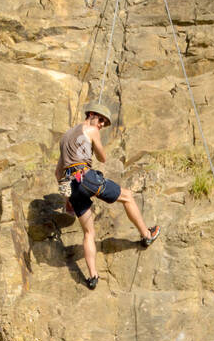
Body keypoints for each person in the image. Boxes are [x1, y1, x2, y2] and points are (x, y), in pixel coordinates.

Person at [55, 99, 160, 290]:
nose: (102, 125)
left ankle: (93, 276)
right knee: (127, 196)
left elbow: (58, 173)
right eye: (101, 120)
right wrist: (95, 147)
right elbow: (102, 158)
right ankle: (146, 234)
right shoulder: (91, 130)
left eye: (104, 123)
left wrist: (67, 198)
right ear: (91, 115)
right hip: (85, 176)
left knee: (88, 232)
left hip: (71, 183)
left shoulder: (64, 138)